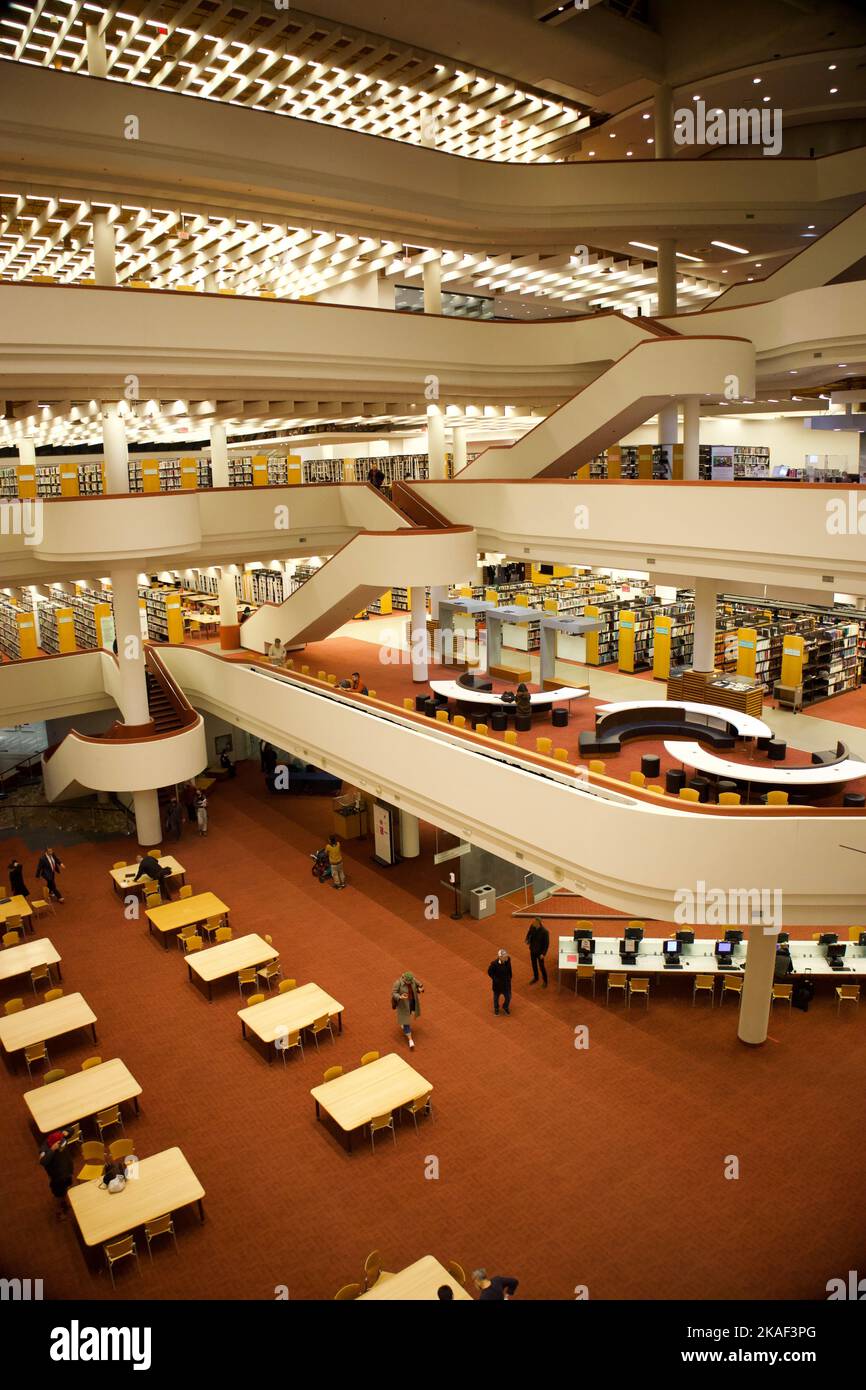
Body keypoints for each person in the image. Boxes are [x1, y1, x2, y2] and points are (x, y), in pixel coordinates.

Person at [40, 1129, 75, 1218]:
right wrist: (52, 1150)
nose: (62, 1142)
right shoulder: (45, 1149)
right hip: (57, 1178)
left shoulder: (61, 1138)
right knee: (58, 1195)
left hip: (67, 1172)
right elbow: (42, 1161)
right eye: (59, 1142)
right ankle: (59, 1213)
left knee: (66, 1189)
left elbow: (71, 1130)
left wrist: (68, 1131)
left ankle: (65, 1203)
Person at [391, 970, 424, 1049]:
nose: (409, 982)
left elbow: (420, 985)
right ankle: (410, 1040)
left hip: (412, 1002)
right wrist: (400, 997)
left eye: (410, 981)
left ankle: (404, 1024)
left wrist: (420, 988)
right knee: (406, 1020)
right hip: (403, 1004)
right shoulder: (397, 983)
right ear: (404, 978)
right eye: (408, 981)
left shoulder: (412, 979)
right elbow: (393, 993)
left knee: (409, 1014)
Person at [525, 917, 550, 987]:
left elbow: (546, 944)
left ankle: (545, 981)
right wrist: (527, 939)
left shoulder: (545, 932)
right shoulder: (532, 927)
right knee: (534, 965)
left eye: (535, 922)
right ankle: (536, 977)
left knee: (542, 967)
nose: (533, 923)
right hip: (532, 950)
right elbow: (529, 933)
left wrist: (543, 954)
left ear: (539, 923)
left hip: (540, 953)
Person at [487, 948, 512, 1015]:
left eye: (506, 956)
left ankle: (505, 1007)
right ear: (500, 957)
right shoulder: (494, 964)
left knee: (508, 997)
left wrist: (510, 977)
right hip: (497, 985)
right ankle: (496, 1008)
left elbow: (510, 968)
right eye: (504, 957)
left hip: (506, 984)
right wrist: (495, 979)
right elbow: (489, 972)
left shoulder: (508, 960)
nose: (506, 957)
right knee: (496, 998)